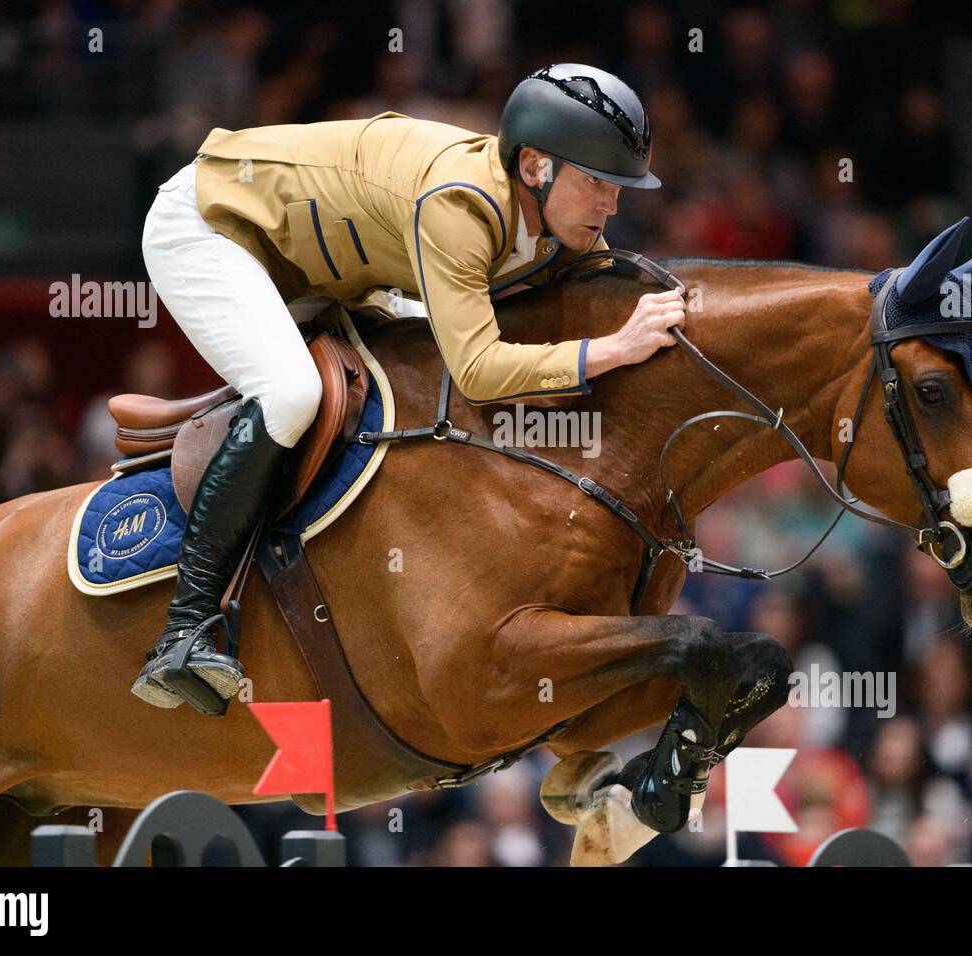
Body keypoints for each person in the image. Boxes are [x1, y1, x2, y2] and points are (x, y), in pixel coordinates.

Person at [132, 64, 687, 712]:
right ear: (535, 167)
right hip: (212, 227)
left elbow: (611, 284)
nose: (613, 204)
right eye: (597, 182)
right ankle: (186, 629)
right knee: (290, 393)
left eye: (618, 186)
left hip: (322, 269)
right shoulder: (458, 205)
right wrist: (612, 350)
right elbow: (479, 371)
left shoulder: (555, 221)